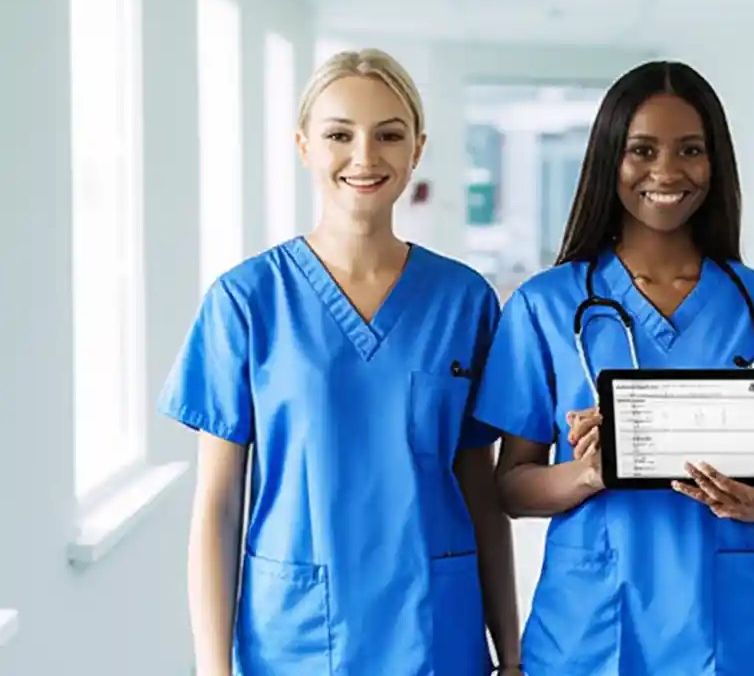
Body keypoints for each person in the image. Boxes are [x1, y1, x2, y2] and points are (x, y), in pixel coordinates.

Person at [158, 48, 521, 675]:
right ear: (304, 145)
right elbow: (217, 507)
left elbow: (480, 492)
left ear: (418, 149)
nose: (364, 156)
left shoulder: (464, 302)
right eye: (339, 134)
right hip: (293, 638)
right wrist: (211, 670)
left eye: (389, 134)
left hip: (434, 627)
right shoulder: (246, 302)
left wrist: (510, 655)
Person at [471, 60, 754, 675]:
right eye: (642, 150)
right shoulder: (546, 306)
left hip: (728, 626)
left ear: (715, 163)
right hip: (590, 629)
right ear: (611, 159)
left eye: (690, 149)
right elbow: (511, 487)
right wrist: (586, 475)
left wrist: (753, 503)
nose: (667, 171)